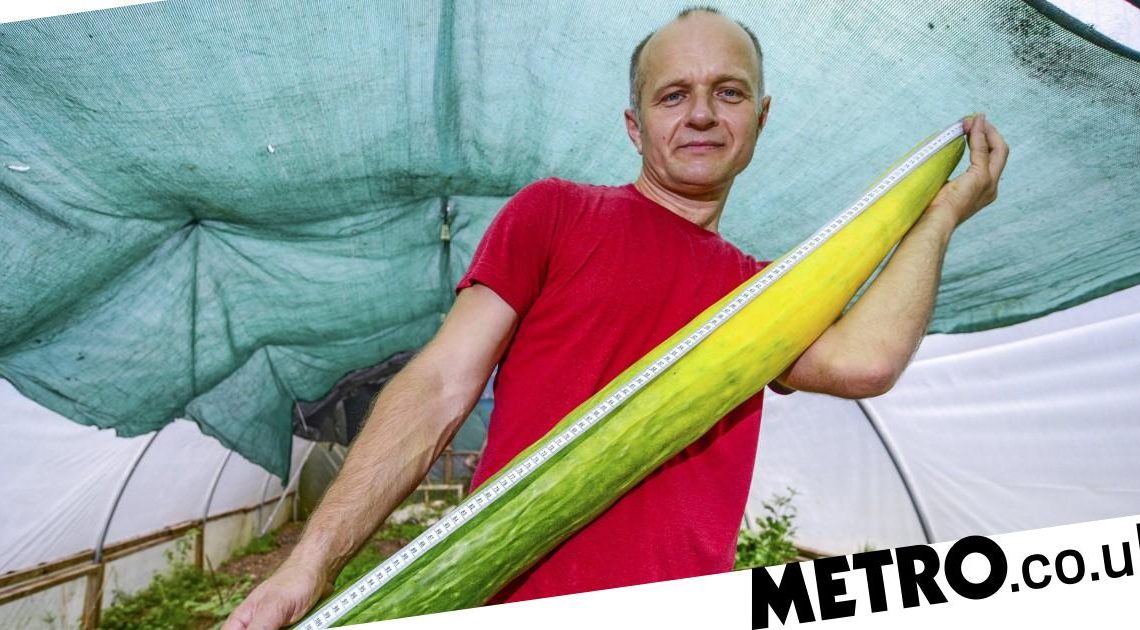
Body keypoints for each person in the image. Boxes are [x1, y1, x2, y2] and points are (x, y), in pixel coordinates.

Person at [224, 7, 1007, 629]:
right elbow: (437, 388)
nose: (701, 113)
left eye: (728, 92)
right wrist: (309, 564)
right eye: (674, 94)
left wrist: (940, 216)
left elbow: (866, 361)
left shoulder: (760, 297)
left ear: (761, 121)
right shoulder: (554, 215)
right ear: (634, 124)